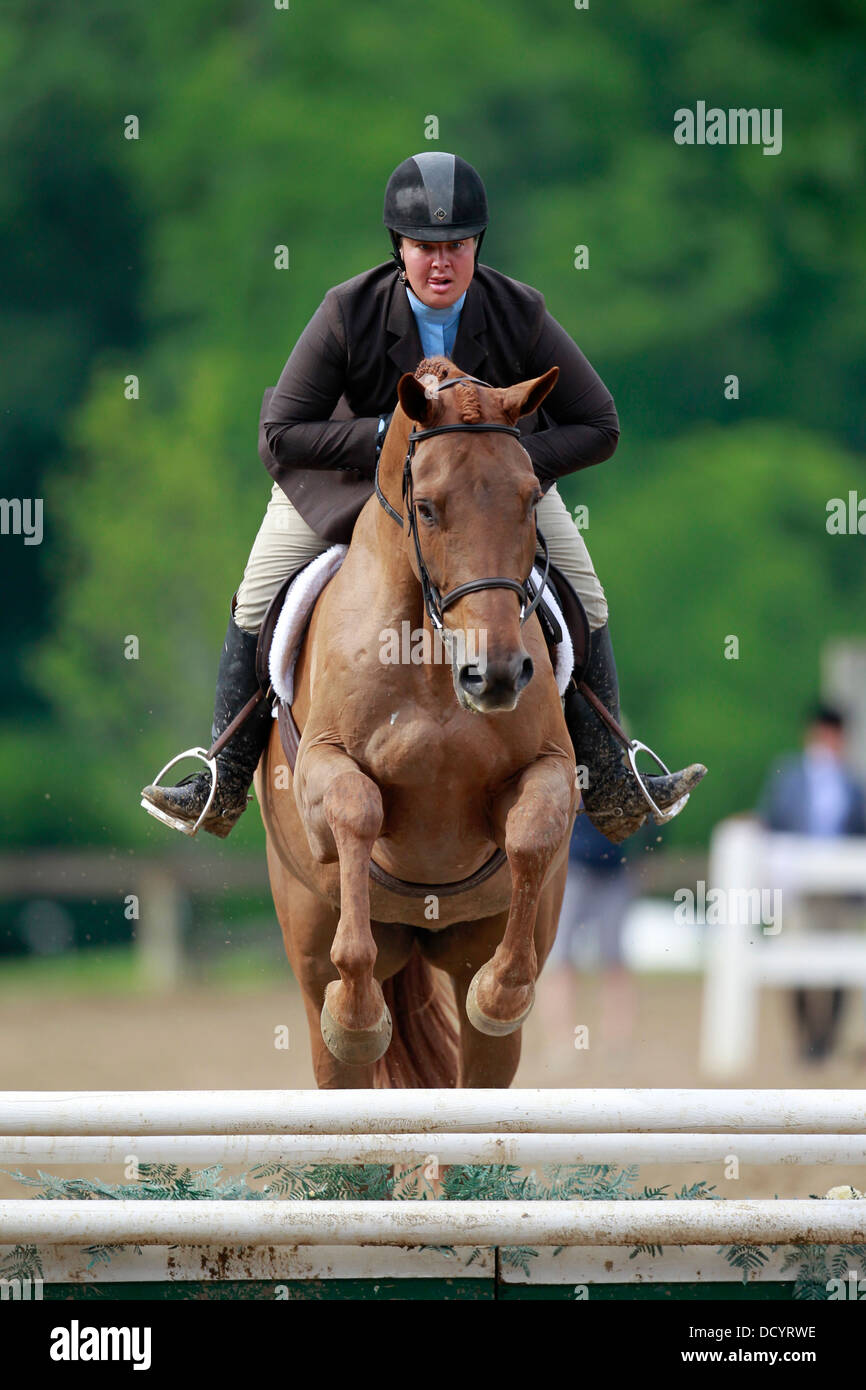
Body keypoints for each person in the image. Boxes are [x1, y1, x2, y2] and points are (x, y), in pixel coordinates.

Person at [142, 152, 705, 841]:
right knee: (258, 594)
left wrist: (502, 463)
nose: (442, 262)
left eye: (458, 246)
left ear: (477, 248)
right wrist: (388, 438)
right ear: (399, 249)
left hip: (482, 497)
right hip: (344, 482)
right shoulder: (348, 311)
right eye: (425, 248)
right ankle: (222, 777)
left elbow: (600, 425)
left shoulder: (517, 311)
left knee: (587, 595)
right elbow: (281, 433)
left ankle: (614, 777)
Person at [759, 703, 866, 1061]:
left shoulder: (852, 784)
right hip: (799, 885)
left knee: (839, 966)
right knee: (796, 960)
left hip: (839, 890)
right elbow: (770, 821)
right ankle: (806, 1039)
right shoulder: (789, 778)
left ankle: (827, 1040)